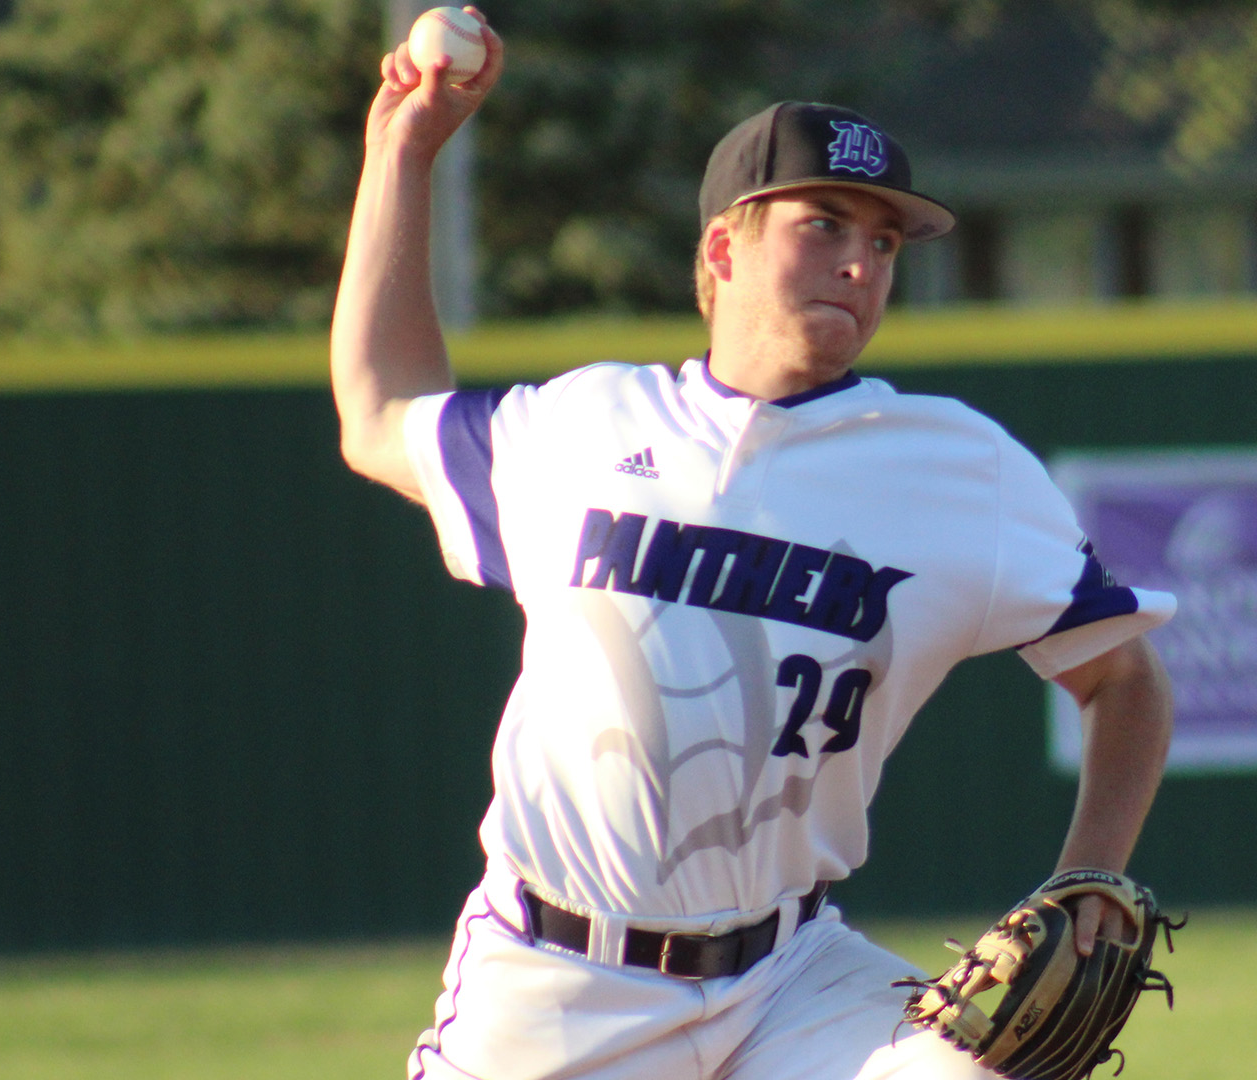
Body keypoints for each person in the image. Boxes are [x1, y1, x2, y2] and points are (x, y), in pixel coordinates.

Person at [330, 10, 1177, 1080]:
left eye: (884, 243)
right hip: (555, 980)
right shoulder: (583, 426)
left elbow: (1124, 679)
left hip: (791, 976)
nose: (860, 263)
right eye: (824, 224)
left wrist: (1090, 871)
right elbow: (379, 414)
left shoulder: (962, 468)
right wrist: (401, 154)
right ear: (724, 247)